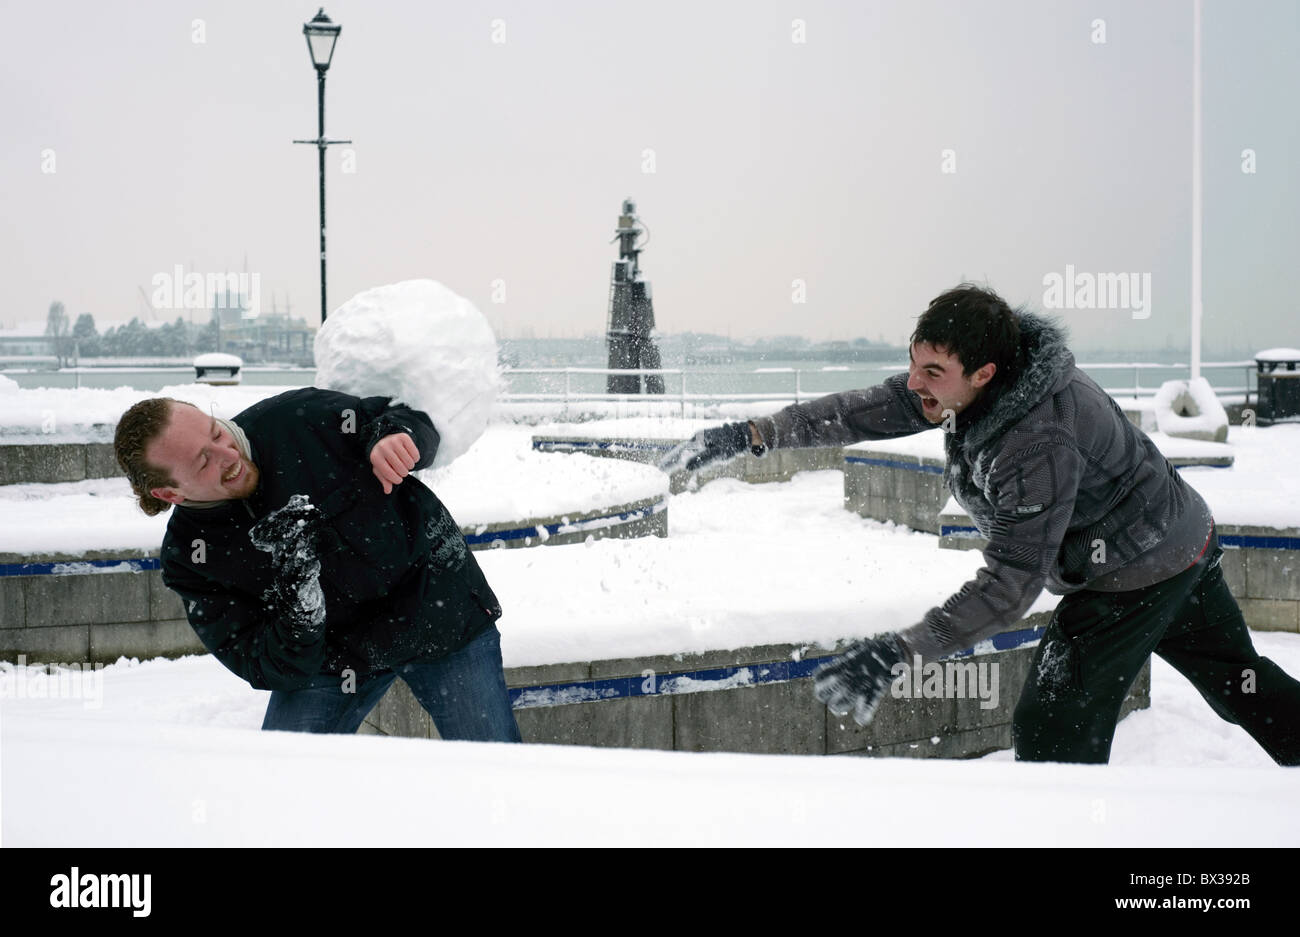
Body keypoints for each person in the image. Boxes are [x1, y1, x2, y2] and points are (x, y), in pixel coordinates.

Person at [661, 283, 1300, 764]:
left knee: (1054, 728)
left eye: (932, 372)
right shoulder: (992, 379)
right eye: (913, 362)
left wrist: (899, 650)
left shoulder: (1037, 440)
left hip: (1132, 576)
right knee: (1243, 685)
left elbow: (1010, 586)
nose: (915, 383)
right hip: (1186, 540)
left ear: (984, 373)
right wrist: (749, 435)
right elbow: (866, 411)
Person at [113, 386, 521, 742]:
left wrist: (395, 436)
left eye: (217, 431)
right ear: (169, 492)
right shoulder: (189, 558)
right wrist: (300, 611)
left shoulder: (295, 417)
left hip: (438, 612)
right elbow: (259, 661)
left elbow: (403, 416)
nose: (227, 452)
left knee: (497, 772)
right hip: (335, 658)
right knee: (283, 783)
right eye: (203, 462)